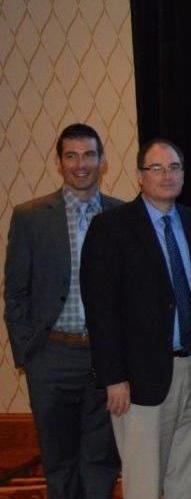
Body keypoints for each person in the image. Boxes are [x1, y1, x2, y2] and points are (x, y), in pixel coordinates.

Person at [81, 138, 191, 498]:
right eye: (157, 168)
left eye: (174, 167)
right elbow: (101, 308)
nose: (166, 175)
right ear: (140, 176)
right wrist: (113, 377)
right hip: (140, 379)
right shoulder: (111, 228)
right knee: (143, 480)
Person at [4, 123, 121, 498]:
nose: (80, 164)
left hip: (104, 358)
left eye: (89, 155)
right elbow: (16, 293)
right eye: (71, 156)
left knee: (101, 460)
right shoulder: (31, 217)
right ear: (59, 163)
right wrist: (29, 354)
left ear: (102, 161)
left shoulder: (122, 217)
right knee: (59, 460)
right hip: (51, 356)